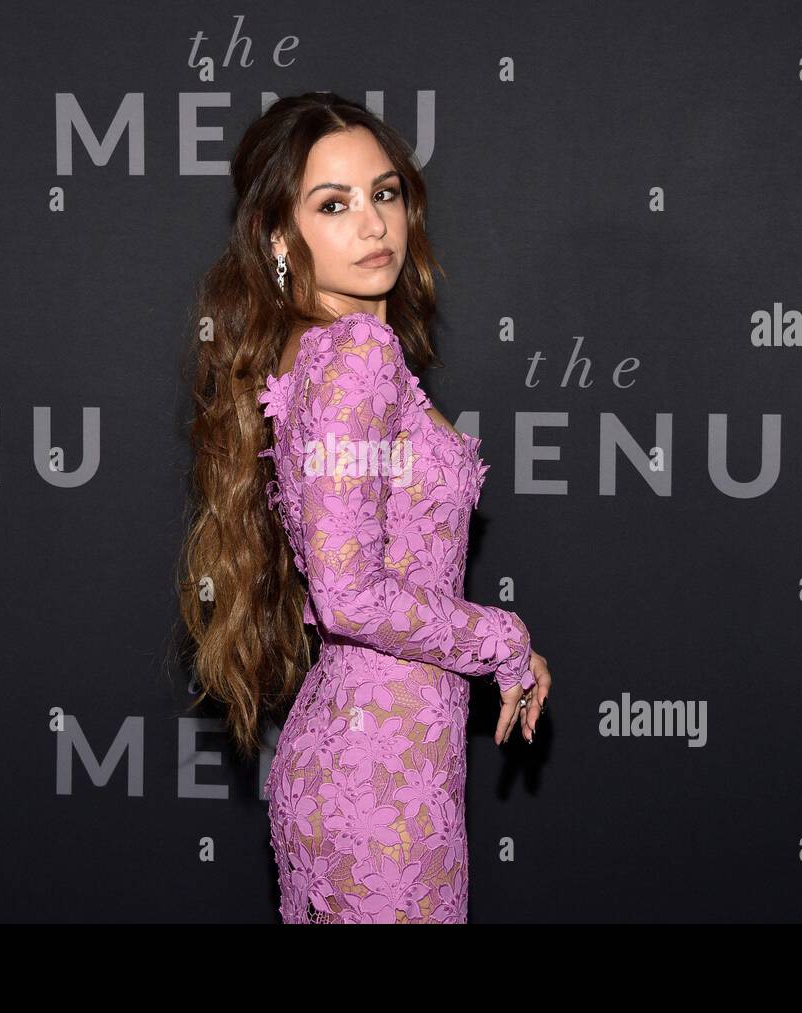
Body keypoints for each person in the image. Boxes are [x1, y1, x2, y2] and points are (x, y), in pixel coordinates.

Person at [176, 92, 551, 923]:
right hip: (383, 786)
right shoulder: (358, 355)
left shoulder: (304, 354)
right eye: (333, 204)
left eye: (384, 193)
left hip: (366, 760)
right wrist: (504, 639)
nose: (373, 223)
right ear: (281, 237)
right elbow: (348, 595)